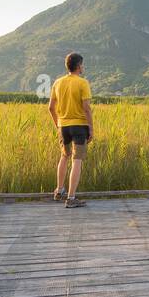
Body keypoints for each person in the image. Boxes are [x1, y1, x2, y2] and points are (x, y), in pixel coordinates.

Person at [48, 52, 93, 208]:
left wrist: (58, 125)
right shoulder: (82, 83)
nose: (83, 67)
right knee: (77, 160)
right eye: (82, 64)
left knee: (64, 156)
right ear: (79, 66)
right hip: (79, 126)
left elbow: (51, 108)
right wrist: (91, 128)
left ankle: (59, 191)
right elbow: (86, 108)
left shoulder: (57, 83)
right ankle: (71, 198)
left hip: (63, 126)